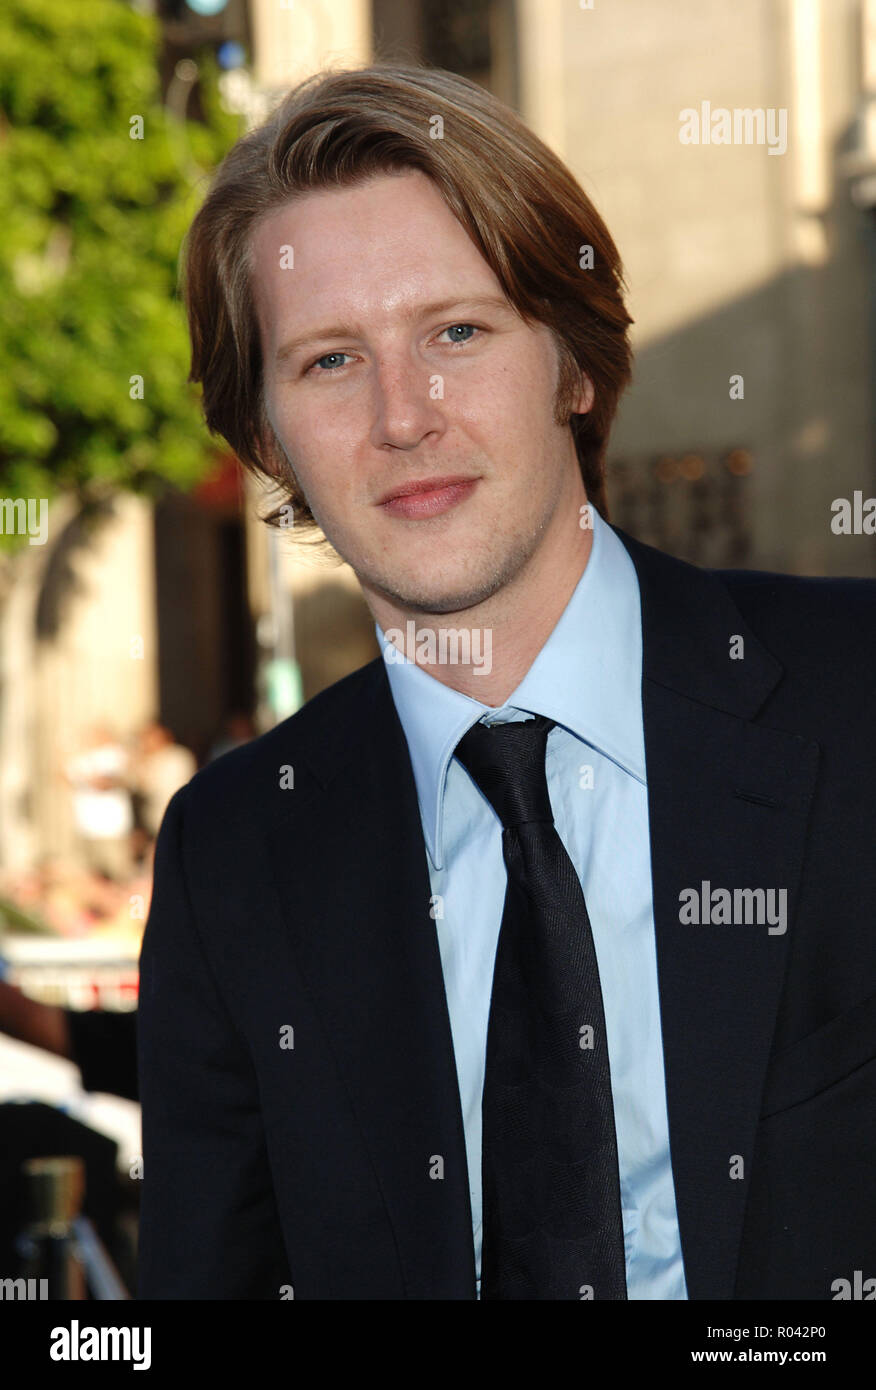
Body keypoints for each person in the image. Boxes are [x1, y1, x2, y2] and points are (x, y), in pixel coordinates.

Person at [137, 63, 876, 1301]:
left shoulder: (854, 705)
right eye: (328, 361)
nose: (404, 415)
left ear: (572, 367)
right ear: (269, 439)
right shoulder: (235, 853)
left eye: (457, 332)